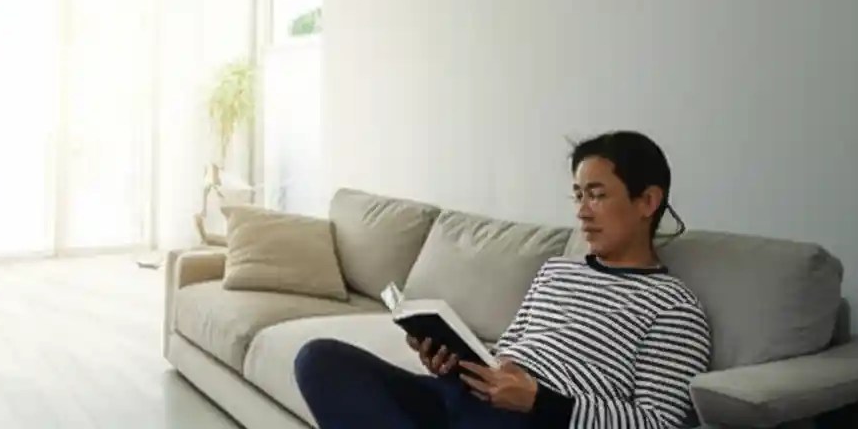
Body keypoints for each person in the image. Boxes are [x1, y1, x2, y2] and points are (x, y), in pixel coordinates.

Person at [294, 131, 711, 429]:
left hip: (530, 419)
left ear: (648, 201)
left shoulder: (674, 307)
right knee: (319, 360)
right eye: (578, 195)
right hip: (466, 398)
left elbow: (658, 422)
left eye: (597, 195)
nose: (583, 211)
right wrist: (452, 364)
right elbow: (507, 351)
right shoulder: (556, 271)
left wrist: (539, 403)